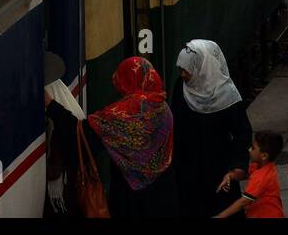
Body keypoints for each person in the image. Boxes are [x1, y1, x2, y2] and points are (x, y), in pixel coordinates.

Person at [81, 56, 177, 217]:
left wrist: (52, 106)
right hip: (164, 194)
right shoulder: (163, 108)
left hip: (129, 197)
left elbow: (87, 132)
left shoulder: (124, 113)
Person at [170, 40, 253, 218]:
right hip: (188, 169)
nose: (183, 75)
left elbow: (242, 133)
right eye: (180, 69)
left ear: (203, 67)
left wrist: (237, 166)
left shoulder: (227, 94)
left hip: (219, 169)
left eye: (187, 70)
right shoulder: (181, 88)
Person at [214, 132, 285, 219]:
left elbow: (244, 201)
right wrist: (230, 175)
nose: (249, 150)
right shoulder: (261, 167)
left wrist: (220, 216)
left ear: (264, 156)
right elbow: (245, 174)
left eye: (253, 148)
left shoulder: (261, 177)